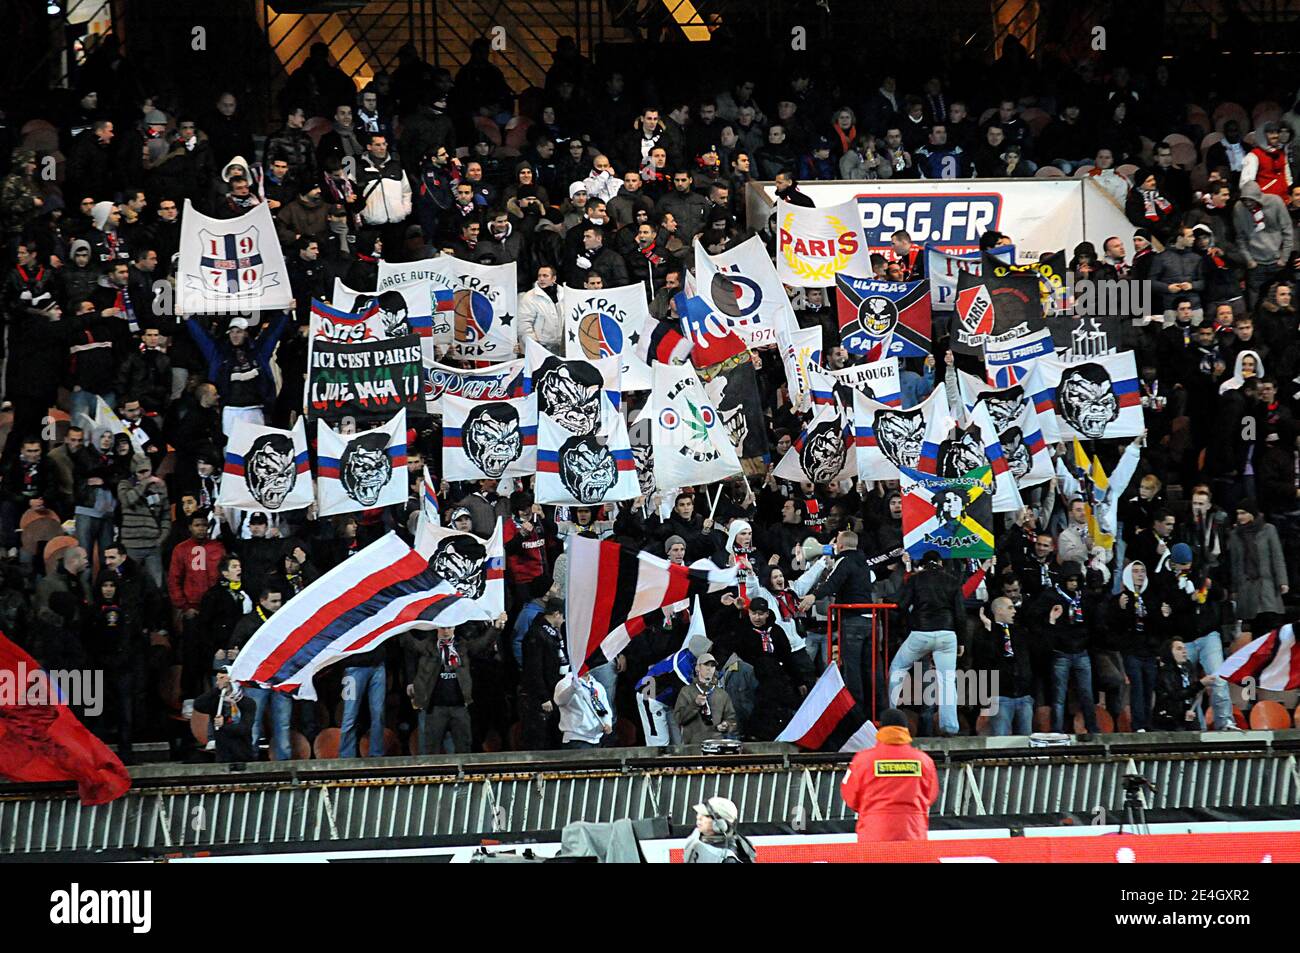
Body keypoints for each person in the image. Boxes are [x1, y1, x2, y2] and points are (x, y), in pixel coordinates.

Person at [888, 551, 963, 735]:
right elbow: (960, 614)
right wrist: (961, 641)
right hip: (947, 634)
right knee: (947, 679)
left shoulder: (916, 579)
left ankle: (889, 715)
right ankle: (950, 726)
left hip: (921, 633)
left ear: (923, 564)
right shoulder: (953, 580)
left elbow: (902, 604)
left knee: (897, 668)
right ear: (940, 562)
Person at [840, 707, 938, 842]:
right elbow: (930, 796)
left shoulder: (862, 760)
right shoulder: (924, 761)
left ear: (881, 729)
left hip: (874, 835)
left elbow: (850, 796)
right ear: (906, 730)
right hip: (914, 835)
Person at [402, 625, 473, 754]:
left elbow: (483, 644)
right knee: (431, 750)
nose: (445, 631)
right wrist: (400, 625)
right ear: (436, 629)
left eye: (449, 628)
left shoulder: (462, 647)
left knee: (463, 749)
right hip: (435, 708)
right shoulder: (428, 647)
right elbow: (410, 643)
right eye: (442, 628)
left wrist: (496, 628)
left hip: (459, 707)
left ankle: (460, 774)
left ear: (455, 627)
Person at [973, 596, 1033, 736]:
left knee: (1026, 744)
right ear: (999, 610)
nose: (1014, 611)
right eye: (1010, 608)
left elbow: (1033, 656)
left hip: (1024, 696)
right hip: (999, 697)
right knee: (1000, 741)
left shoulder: (1020, 632)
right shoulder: (984, 633)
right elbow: (983, 662)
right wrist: (989, 630)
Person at [673, 653, 738, 744]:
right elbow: (678, 719)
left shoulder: (722, 694)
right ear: (697, 668)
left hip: (716, 745)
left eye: (712, 666)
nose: (709, 668)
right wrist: (695, 704)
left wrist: (726, 725)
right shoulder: (686, 691)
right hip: (693, 746)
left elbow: (732, 720)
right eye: (706, 665)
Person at [682, 796, 755, 863]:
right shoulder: (697, 834)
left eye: (707, 816)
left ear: (721, 824)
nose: (698, 817)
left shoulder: (728, 859)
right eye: (700, 813)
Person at [553, 670, 613, 749]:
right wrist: (572, 688)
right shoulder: (565, 682)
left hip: (596, 739)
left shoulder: (597, 685)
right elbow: (559, 701)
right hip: (575, 739)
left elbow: (603, 708)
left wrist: (607, 723)